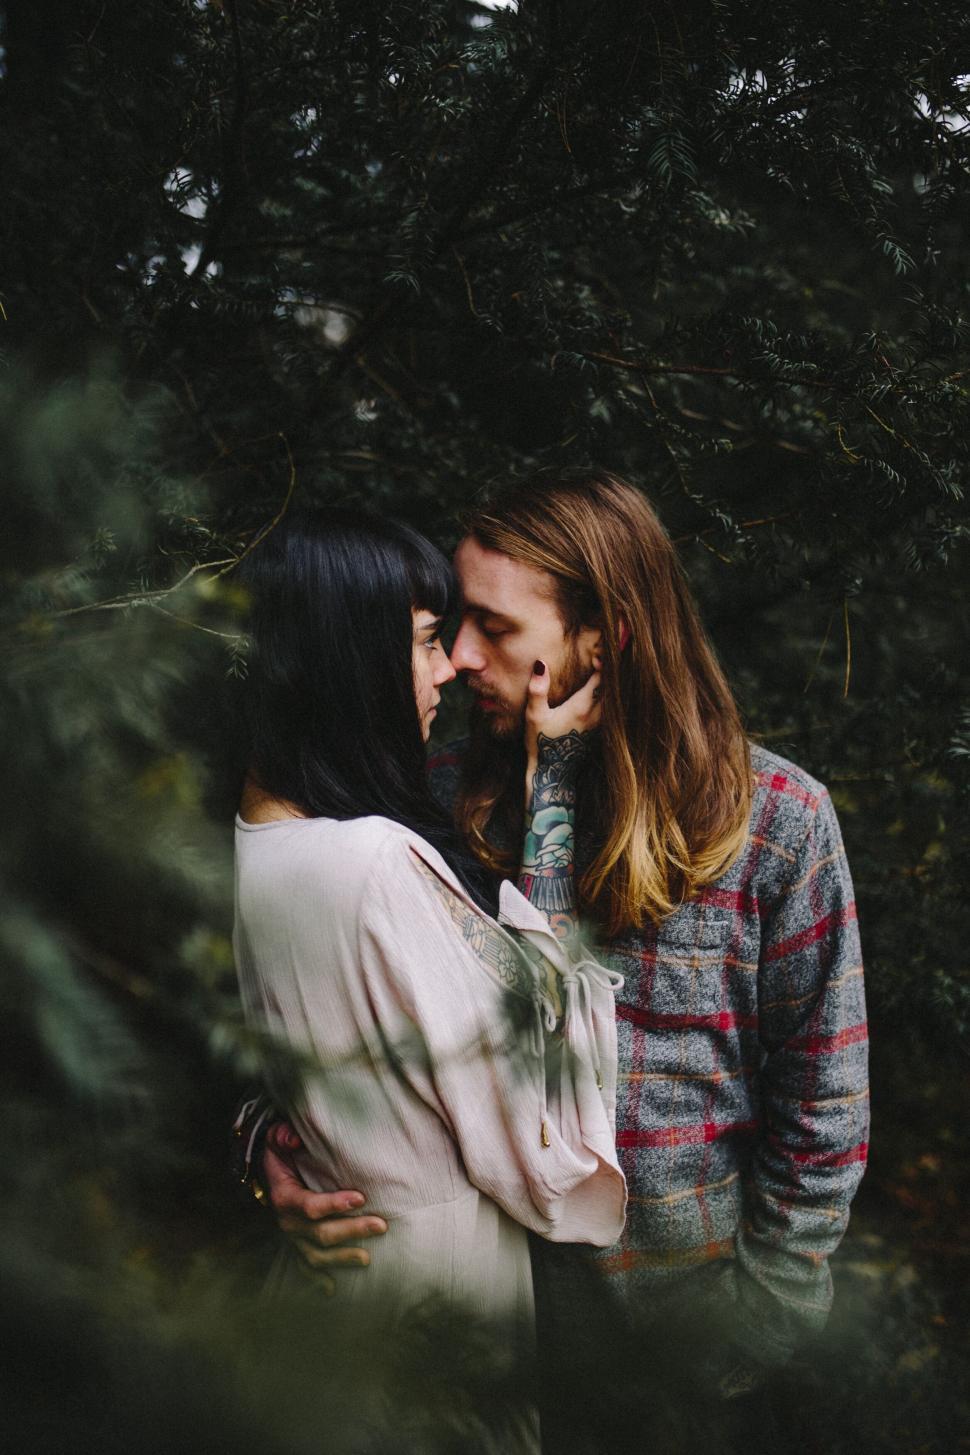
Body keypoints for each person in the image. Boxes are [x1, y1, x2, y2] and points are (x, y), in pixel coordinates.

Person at [241, 472, 868, 1441]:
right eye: (452, 625)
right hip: (494, 1351)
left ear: (601, 637)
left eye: (493, 628)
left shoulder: (778, 824)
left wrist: (750, 1335)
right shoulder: (433, 800)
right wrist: (270, 1150)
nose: (457, 656)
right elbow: (293, 988)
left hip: (695, 1368)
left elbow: (824, 1112)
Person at [230, 506, 626, 1358]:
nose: (451, 666)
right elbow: (542, 1077)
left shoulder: (260, 836)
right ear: (350, 660)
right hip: (431, 1307)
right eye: (423, 640)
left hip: (345, 1289)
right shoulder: (374, 861)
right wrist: (551, 786)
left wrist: (265, 1141)